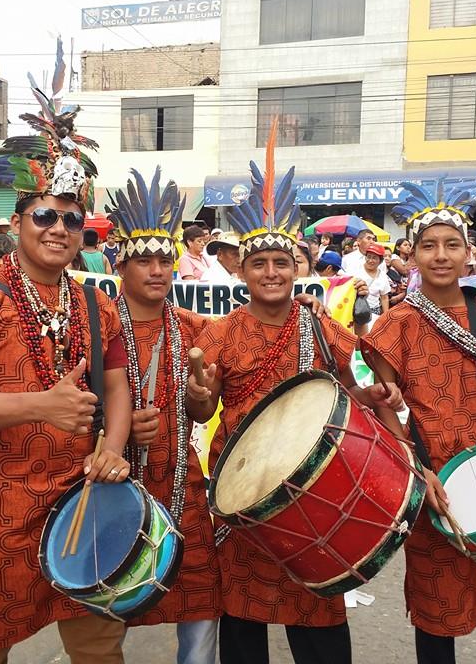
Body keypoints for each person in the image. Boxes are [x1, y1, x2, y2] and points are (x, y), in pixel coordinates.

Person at [0, 94, 133, 663]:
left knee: (99, 648)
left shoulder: (96, 303)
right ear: (16, 223)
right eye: (44, 216)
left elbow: (118, 386)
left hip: (81, 497)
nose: (59, 228)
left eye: (72, 220)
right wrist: (41, 405)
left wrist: (113, 448)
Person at [185, 123, 402, 664]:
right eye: (259, 263)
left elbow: (349, 388)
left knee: (317, 617)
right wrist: (199, 394)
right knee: (243, 622)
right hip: (244, 490)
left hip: (314, 487)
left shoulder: (319, 323)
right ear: (242, 271)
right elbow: (202, 410)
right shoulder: (222, 332)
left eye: (282, 263)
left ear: (297, 268)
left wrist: (376, 396)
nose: (271, 272)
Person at [362, 180, 476, 664]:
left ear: (469, 253)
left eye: (452, 245)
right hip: (436, 480)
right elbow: (387, 407)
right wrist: (414, 469)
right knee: (437, 615)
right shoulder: (394, 325)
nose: (441, 255)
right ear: (411, 255)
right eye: (429, 245)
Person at [107, 166, 221, 664]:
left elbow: (204, 407)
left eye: (165, 260)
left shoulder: (195, 327)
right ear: (121, 266)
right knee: (107, 607)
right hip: (115, 486)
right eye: (144, 261)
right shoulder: (97, 326)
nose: (156, 270)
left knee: (201, 599)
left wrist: (200, 398)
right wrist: (116, 428)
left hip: (181, 485)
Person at [358, 244, 390, 320]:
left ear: (380, 261)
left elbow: (384, 298)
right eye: (368, 257)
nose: (370, 260)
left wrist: (386, 317)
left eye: (374, 258)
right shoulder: (356, 271)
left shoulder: (382, 276)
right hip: (358, 310)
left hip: (374, 311)